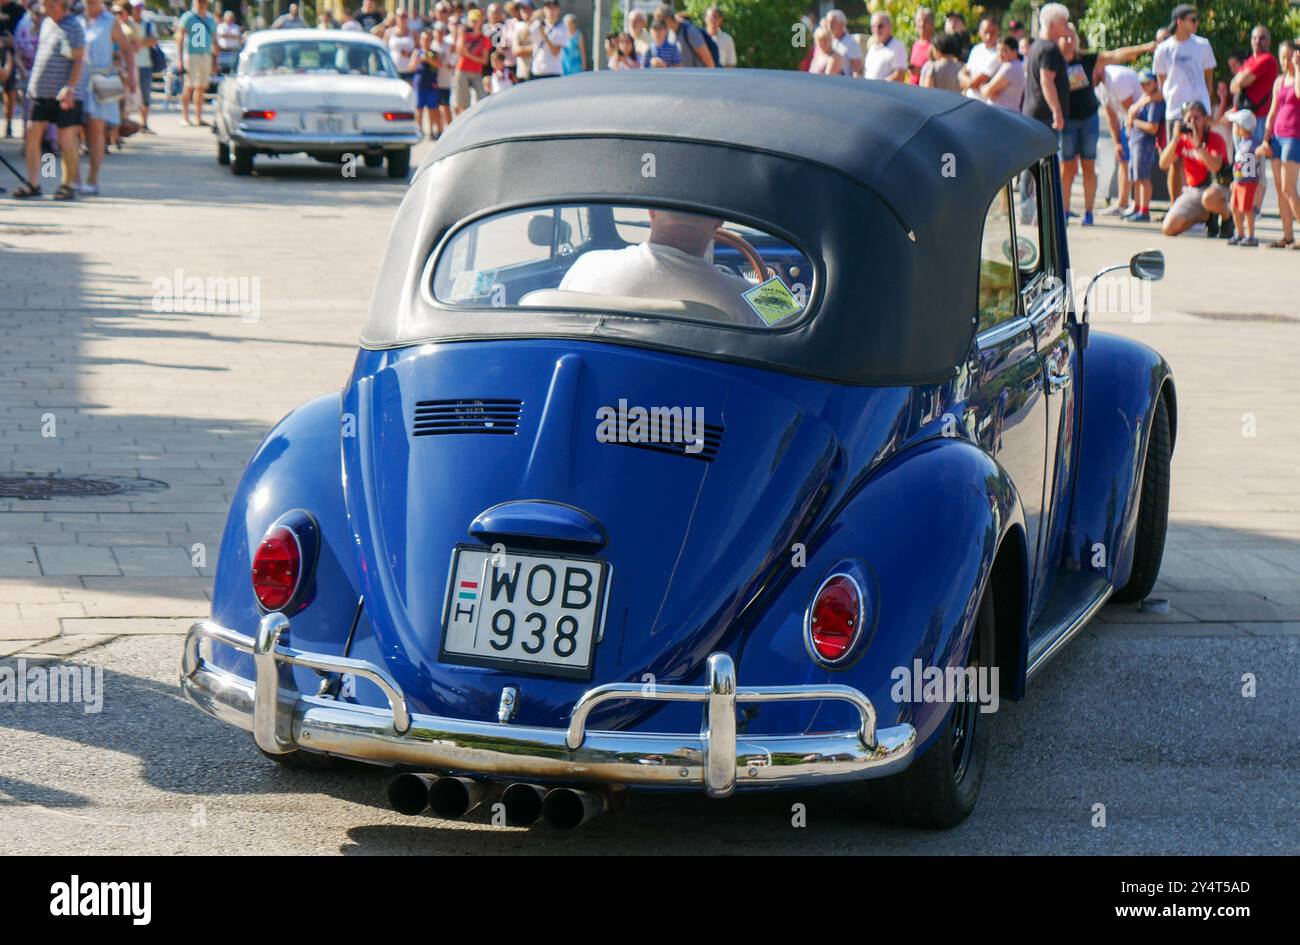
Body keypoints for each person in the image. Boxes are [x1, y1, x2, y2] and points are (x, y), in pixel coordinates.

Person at [558, 210, 755, 326]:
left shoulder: (587, 265)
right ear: (719, 222)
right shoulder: (745, 294)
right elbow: (783, 324)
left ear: (651, 212)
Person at [13, 0, 82, 199]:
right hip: (39, 92)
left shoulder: (73, 25)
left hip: (62, 94)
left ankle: (67, 185)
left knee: (65, 138)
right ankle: (34, 183)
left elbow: (79, 59)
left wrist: (70, 87)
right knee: (32, 134)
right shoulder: (47, 23)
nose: (42, 3)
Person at [1154, 4, 1216, 202]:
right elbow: (1162, 81)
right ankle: (1176, 207)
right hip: (1175, 111)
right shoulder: (1164, 49)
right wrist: (1172, 97)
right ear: (1180, 22)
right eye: (1192, 20)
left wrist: (1207, 106)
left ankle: (1205, 210)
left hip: (1199, 109)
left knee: (1203, 155)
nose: (1196, 23)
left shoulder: (1203, 45)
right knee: (1175, 160)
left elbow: (1209, 78)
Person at [73, 0, 132, 194]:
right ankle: (74, 179)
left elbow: (126, 48)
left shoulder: (109, 21)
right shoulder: (77, 18)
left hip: (104, 76)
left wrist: (130, 76)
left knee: (97, 130)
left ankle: (93, 179)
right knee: (73, 128)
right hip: (78, 78)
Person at [1158, 100, 1229, 236]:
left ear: (1204, 120)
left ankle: (1227, 218)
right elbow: (1163, 164)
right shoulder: (1183, 140)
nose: (1192, 122)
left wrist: (1198, 146)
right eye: (1189, 118)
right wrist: (1174, 140)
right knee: (1168, 229)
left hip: (1217, 188)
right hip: (1193, 191)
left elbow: (1215, 167)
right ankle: (1205, 217)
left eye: (1196, 118)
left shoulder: (1215, 139)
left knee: (1209, 198)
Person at [1257, 40, 1300, 249]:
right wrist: (1265, 138)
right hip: (1276, 136)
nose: (1284, 62)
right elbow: (1272, 111)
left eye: (1288, 57)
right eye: (1282, 57)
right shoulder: (1279, 81)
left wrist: (1299, 67)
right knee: (1281, 189)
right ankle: (1287, 236)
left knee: (1289, 188)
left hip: (1293, 137)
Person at [1231, 26, 1277, 215]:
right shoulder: (1251, 60)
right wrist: (1241, 78)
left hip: (1257, 120)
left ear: (1269, 41)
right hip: (1242, 120)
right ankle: (1245, 207)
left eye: (1263, 38)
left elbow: (1243, 81)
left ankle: (1253, 208)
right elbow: (1235, 84)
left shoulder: (1267, 61)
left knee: (1255, 167)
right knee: (1242, 165)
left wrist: (1241, 78)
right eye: (1255, 38)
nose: (1258, 41)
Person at [1096, 64, 1142, 216]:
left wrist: (1129, 132)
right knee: (1123, 160)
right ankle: (1122, 204)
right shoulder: (1098, 86)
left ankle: (1139, 206)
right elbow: (1111, 115)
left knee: (1136, 163)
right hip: (1126, 120)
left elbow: (1131, 109)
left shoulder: (1117, 79)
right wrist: (1117, 143)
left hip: (1140, 119)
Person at [1124, 69, 1165, 222]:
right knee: (1136, 176)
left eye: (1148, 83)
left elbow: (1153, 127)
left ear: (1155, 82)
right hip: (1136, 141)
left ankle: (1144, 210)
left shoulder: (1155, 102)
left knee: (1143, 177)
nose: (1144, 86)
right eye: (1142, 84)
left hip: (1144, 142)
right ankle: (1136, 206)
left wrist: (1133, 122)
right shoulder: (1145, 98)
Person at [1022, 3, 1069, 132]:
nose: (1066, 26)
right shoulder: (1050, 48)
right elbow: (1046, 81)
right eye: (1064, 23)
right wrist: (1056, 111)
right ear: (1053, 25)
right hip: (1044, 116)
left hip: (1034, 112)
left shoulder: (1037, 45)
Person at [176, 0, 215, 127]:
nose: (202, 4)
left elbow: (214, 39)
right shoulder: (188, 17)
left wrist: (215, 60)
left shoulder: (210, 19)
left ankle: (198, 117)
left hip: (206, 55)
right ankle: (185, 117)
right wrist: (179, 58)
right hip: (191, 55)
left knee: (201, 87)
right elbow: (180, 37)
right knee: (189, 86)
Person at [1225, 109, 1260, 246]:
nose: (1234, 129)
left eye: (1236, 126)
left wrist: (1244, 181)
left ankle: (1251, 236)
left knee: (1247, 209)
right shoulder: (1241, 144)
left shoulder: (1251, 146)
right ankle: (1240, 233)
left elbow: (1249, 169)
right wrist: (1235, 180)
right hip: (1239, 182)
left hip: (1247, 183)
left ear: (1242, 128)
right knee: (1235, 207)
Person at [655, 4, 713, 69]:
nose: (659, 25)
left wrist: (712, 77)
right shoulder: (670, 34)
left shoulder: (690, 30)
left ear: (668, 19)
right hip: (683, 77)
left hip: (698, 76)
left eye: (661, 22)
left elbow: (707, 58)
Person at [452, 8, 487, 111]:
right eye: (472, 20)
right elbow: (459, 50)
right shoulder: (464, 34)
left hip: (476, 71)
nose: (474, 23)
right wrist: (461, 33)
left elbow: (484, 60)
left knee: (482, 98)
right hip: (462, 69)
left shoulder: (484, 39)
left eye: (476, 20)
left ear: (481, 21)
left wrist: (469, 55)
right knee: (463, 102)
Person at [128, 0, 155, 133]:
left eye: (141, 7)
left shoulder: (148, 23)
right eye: (136, 7)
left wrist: (137, 42)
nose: (138, 9)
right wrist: (139, 42)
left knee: (145, 95)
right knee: (128, 97)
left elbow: (153, 40)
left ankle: (144, 124)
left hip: (145, 64)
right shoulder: (126, 23)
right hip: (129, 65)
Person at [981, 35, 1025, 111]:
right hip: (1007, 113)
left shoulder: (1010, 67)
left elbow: (987, 92)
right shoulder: (1016, 65)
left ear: (1014, 51)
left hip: (1002, 114)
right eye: (998, 50)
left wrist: (983, 87)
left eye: (1004, 50)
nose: (1000, 54)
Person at [961, 16, 999, 100]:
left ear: (998, 32)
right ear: (979, 32)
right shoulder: (976, 49)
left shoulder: (999, 54)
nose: (989, 36)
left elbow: (973, 83)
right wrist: (963, 77)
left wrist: (962, 77)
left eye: (993, 33)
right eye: (986, 32)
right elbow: (965, 72)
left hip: (985, 104)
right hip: (969, 100)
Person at [862, 10, 905, 82]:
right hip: (869, 91)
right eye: (873, 26)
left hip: (884, 92)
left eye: (880, 26)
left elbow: (899, 76)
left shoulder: (897, 46)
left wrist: (878, 86)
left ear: (890, 26)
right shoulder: (873, 47)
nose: (876, 29)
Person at [413, 28, 439, 136]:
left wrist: (429, 60)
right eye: (424, 39)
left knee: (432, 108)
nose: (426, 41)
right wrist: (419, 59)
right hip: (419, 84)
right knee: (419, 108)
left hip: (431, 84)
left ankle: (432, 130)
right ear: (420, 40)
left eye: (428, 39)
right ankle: (419, 129)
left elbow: (438, 65)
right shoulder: (417, 52)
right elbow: (411, 67)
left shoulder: (434, 53)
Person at [529, 0, 565, 78]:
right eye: (548, 8)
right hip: (537, 71)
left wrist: (544, 36)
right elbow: (525, 36)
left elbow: (555, 52)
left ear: (558, 9)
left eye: (553, 8)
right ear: (544, 10)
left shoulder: (562, 28)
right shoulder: (537, 24)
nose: (551, 11)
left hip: (553, 72)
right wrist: (531, 19)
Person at [823, 9, 861, 78]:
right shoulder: (829, 40)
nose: (830, 25)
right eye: (828, 22)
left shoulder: (851, 43)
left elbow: (857, 69)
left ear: (842, 24)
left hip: (842, 84)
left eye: (833, 22)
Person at [384, 9, 416, 81]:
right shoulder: (389, 32)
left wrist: (410, 54)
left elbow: (422, 51)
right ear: (396, 17)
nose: (402, 18)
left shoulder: (413, 33)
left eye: (404, 16)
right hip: (393, 71)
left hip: (409, 71)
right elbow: (384, 50)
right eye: (399, 16)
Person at [908, 6, 934, 85]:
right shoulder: (916, 44)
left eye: (925, 21)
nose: (922, 24)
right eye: (919, 20)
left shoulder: (934, 46)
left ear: (932, 24)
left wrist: (920, 71)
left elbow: (937, 72)